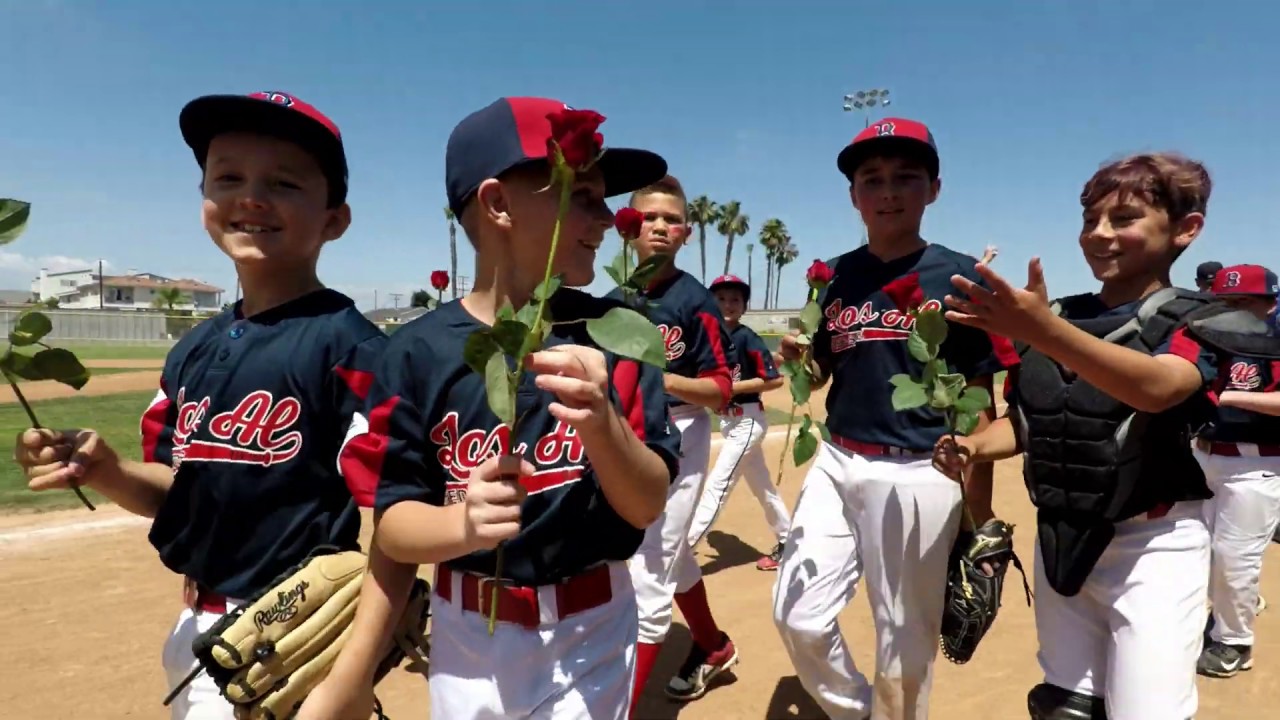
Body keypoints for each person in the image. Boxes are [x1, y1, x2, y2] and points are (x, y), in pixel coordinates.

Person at [297, 96, 681, 720]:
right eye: (581, 193)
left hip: (592, 631)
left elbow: (646, 502)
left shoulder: (616, 333)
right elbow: (392, 526)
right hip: (466, 634)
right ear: (498, 203)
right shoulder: (415, 352)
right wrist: (462, 527)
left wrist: (603, 424)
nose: (607, 218)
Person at [15, 91, 386, 720]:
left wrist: (352, 671)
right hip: (195, 631)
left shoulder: (350, 346)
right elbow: (176, 488)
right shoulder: (195, 348)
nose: (251, 196)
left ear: (334, 219)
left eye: (284, 182)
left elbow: (399, 517)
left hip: (295, 644)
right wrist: (104, 470)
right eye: (229, 177)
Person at [936, 152, 1222, 719]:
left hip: (1155, 544)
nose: (1099, 235)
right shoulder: (1059, 315)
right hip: (1062, 536)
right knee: (1063, 705)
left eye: (1123, 219)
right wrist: (971, 447)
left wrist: (1045, 330)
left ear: (1186, 230)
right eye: (1090, 220)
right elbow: (1025, 423)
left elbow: (1159, 388)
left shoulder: (1196, 318)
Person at [771, 117, 1017, 720]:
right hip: (836, 457)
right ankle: (858, 712)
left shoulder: (960, 278)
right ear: (854, 195)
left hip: (922, 471)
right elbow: (825, 373)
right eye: (872, 179)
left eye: (906, 177)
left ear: (933, 189)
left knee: (903, 644)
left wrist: (978, 518)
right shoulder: (834, 276)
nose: (887, 192)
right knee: (796, 616)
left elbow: (981, 395)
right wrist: (801, 361)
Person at [607, 175, 739, 711]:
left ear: (685, 233)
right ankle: (713, 646)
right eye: (649, 218)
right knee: (672, 553)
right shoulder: (615, 299)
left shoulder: (696, 301)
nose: (660, 226)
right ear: (629, 228)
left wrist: (655, 377)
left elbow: (722, 390)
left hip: (680, 432)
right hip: (624, 434)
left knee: (651, 571)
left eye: (671, 219)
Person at [1194, 263, 1280, 678]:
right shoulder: (1209, 338)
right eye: (1223, 301)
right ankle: (1236, 607)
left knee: (1233, 556)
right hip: (1203, 455)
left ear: (1267, 303)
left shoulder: (1277, 341)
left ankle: (1233, 643)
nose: (1229, 309)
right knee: (1198, 549)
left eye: (1240, 301)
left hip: (1256, 464)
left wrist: (1221, 396)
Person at [686, 274, 791, 571]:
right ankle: (788, 540)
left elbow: (773, 381)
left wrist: (730, 389)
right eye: (720, 299)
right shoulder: (708, 339)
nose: (727, 305)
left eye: (735, 300)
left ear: (744, 306)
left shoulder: (747, 337)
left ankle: (684, 546)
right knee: (763, 488)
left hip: (747, 421)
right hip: (730, 422)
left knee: (718, 483)